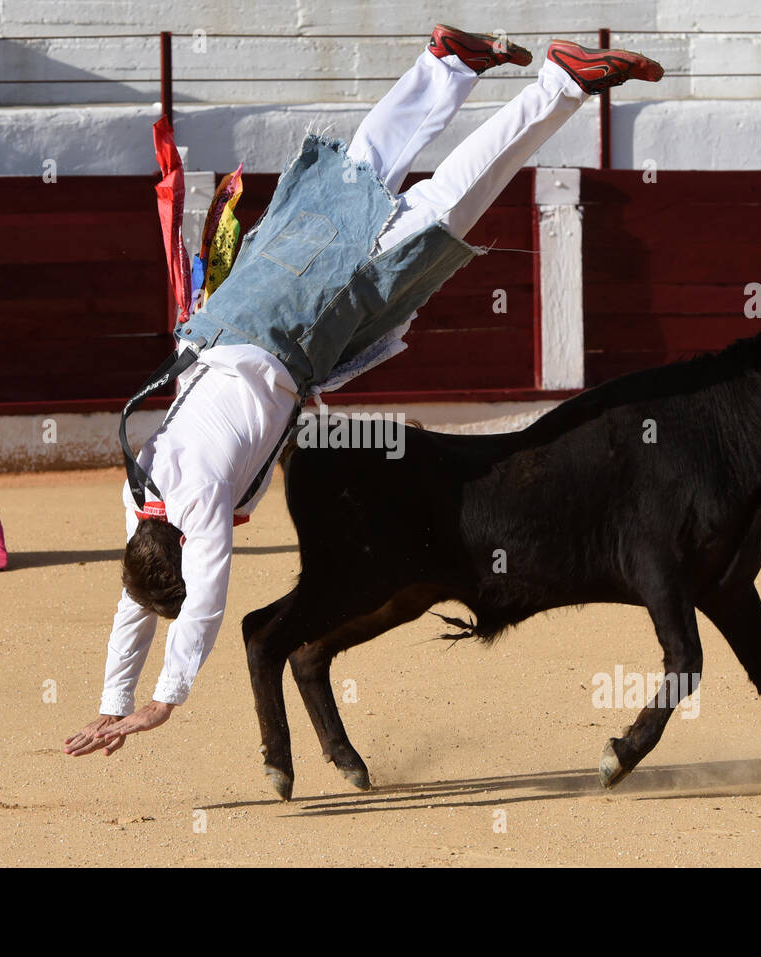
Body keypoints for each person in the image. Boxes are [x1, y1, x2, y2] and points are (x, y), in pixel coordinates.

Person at [64, 25, 663, 757]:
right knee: (358, 174)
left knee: (439, 216)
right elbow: (137, 601)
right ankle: (446, 64)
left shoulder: (200, 511)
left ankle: (561, 85)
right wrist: (110, 698)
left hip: (303, 323)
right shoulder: (138, 492)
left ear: (186, 547)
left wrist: (161, 701)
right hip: (243, 301)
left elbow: (203, 608)